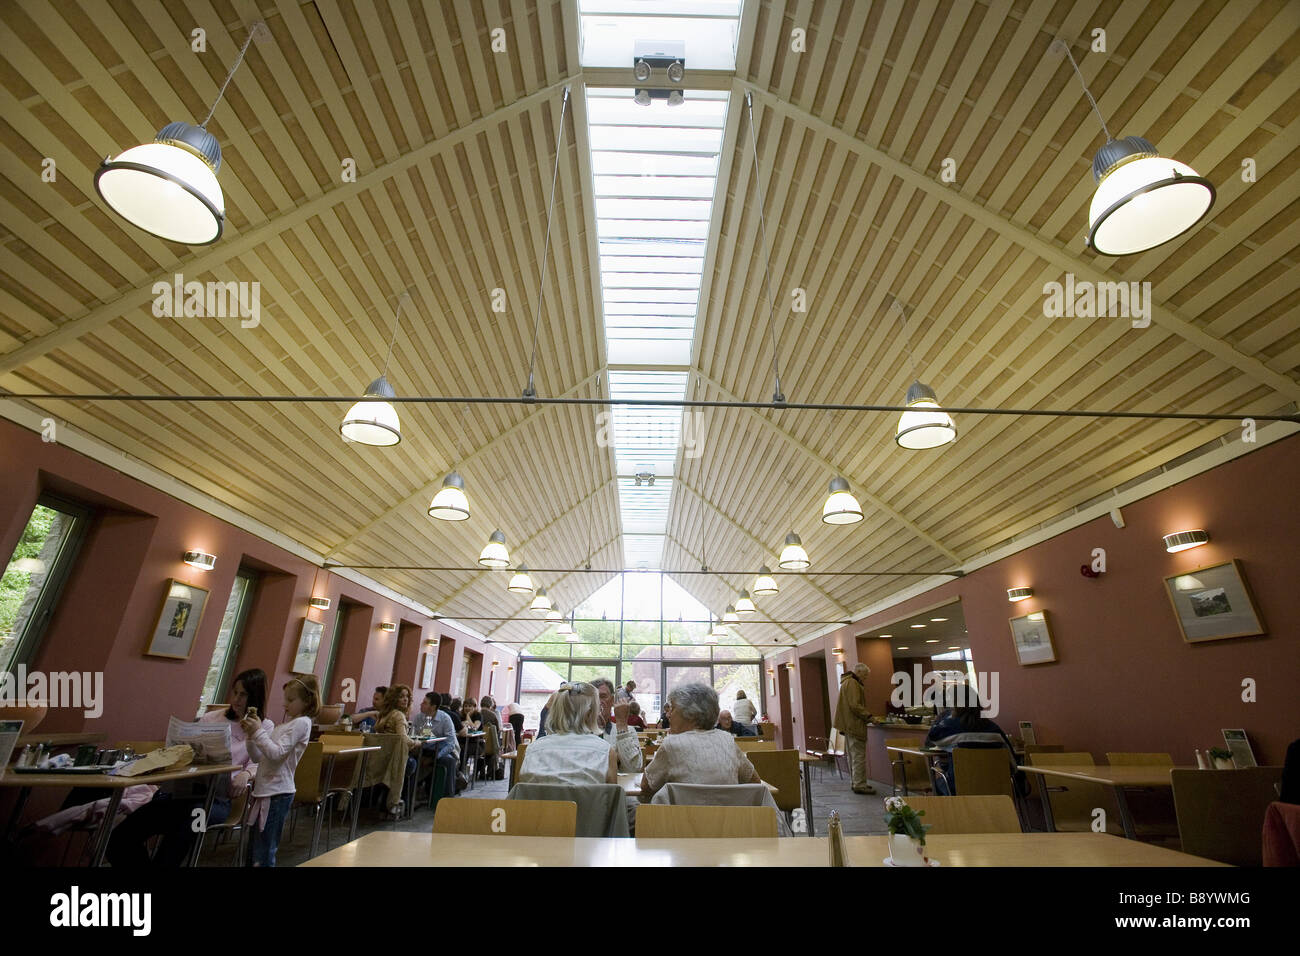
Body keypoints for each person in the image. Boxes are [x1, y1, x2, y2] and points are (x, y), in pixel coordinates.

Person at [107, 669, 273, 867]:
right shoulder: (211, 718)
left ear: (254, 697)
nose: (236, 699)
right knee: (119, 839)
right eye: (235, 692)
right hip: (180, 796)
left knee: (188, 826)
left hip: (218, 803)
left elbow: (260, 761)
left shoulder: (265, 726)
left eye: (243, 694)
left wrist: (246, 774)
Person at [639, 683, 760, 803]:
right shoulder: (727, 739)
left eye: (673, 708)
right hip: (728, 821)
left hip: (681, 821)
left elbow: (646, 786)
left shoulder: (671, 744)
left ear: (691, 714)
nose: (668, 714)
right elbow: (754, 781)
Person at [243, 674, 318, 866]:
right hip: (266, 790)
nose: (285, 704)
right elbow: (258, 757)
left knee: (265, 850)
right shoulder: (284, 726)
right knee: (254, 850)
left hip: (278, 793)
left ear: (307, 701)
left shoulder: (302, 723)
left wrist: (259, 732)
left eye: (291, 700)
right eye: (285, 698)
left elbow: (277, 754)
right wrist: (251, 737)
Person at [924, 683, 1016, 795]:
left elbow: (931, 739)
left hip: (959, 786)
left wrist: (947, 716)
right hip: (997, 787)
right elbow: (1012, 763)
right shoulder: (994, 728)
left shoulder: (950, 726)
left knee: (938, 781)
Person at [517, 682, 617, 786]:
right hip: (588, 802)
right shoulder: (605, 753)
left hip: (540, 802)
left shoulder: (532, 751)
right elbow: (611, 798)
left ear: (555, 712)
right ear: (590, 713)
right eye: (598, 710)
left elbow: (520, 799)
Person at [375, 684, 421, 811]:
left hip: (380, 757)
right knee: (413, 764)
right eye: (401, 697)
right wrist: (417, 743)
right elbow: (403, 739)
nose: (405, 699)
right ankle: (406, 802)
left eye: (407, 697)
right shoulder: (399, 716)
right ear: (394, 698)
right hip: (394, 760)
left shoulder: (383, 714)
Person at [832, 662, 876, 795]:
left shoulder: (846, 682)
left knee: (853, 756)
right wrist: (870, 717)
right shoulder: (853, 683)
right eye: (865, 675)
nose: (866, 678)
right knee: (858, 756)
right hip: (854, 725)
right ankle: (859, 784)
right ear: (859, 672)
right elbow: (855, 705)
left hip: (848, 725)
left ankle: (855, 782)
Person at [590, 677, 643, 773]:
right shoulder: (580, 732)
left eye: (603, 696)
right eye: (593, 697)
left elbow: (634, 768)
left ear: (612, 700)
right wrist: (615, 758)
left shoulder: (629, 731)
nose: (598, 701)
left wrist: (622, 725)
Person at [415, 692, 459, 801]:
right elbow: (415, 737)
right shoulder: (419, 717)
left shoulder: (445, 719)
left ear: (433, 707)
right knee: (411, 760)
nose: (421, 704)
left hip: (442, 751)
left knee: (449, 761)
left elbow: (451, 744)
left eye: (424, 703)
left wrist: (436, 756)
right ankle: (411, 795)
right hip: (424, 750)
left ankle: (448, 798)